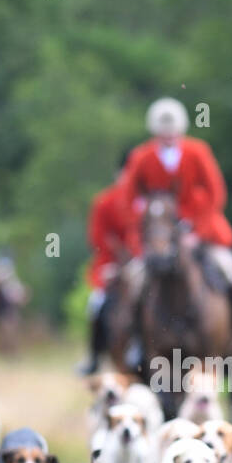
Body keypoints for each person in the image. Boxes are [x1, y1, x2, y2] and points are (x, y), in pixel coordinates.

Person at [122, 97, 232, 369]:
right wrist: (148, 224)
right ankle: (139, 342)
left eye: (172, 130)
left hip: (200, 233)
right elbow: (129, 197)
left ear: (181, 129)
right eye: (163, 130)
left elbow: (215, 193)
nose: (168, 135)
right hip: (160, 238)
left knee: (230, 269)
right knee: (136, 281)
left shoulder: (198, 151)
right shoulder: (142, 157)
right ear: (155, 131)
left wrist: (196, 230)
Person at [76, 150, 140, 375]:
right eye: (126, 172)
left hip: (142, 264)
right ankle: (94, 356)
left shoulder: (144, 203)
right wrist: (113, 264)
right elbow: (98, 238)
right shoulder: (104, 202)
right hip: (112, 264)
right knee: (97, 303)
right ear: (118, 174)